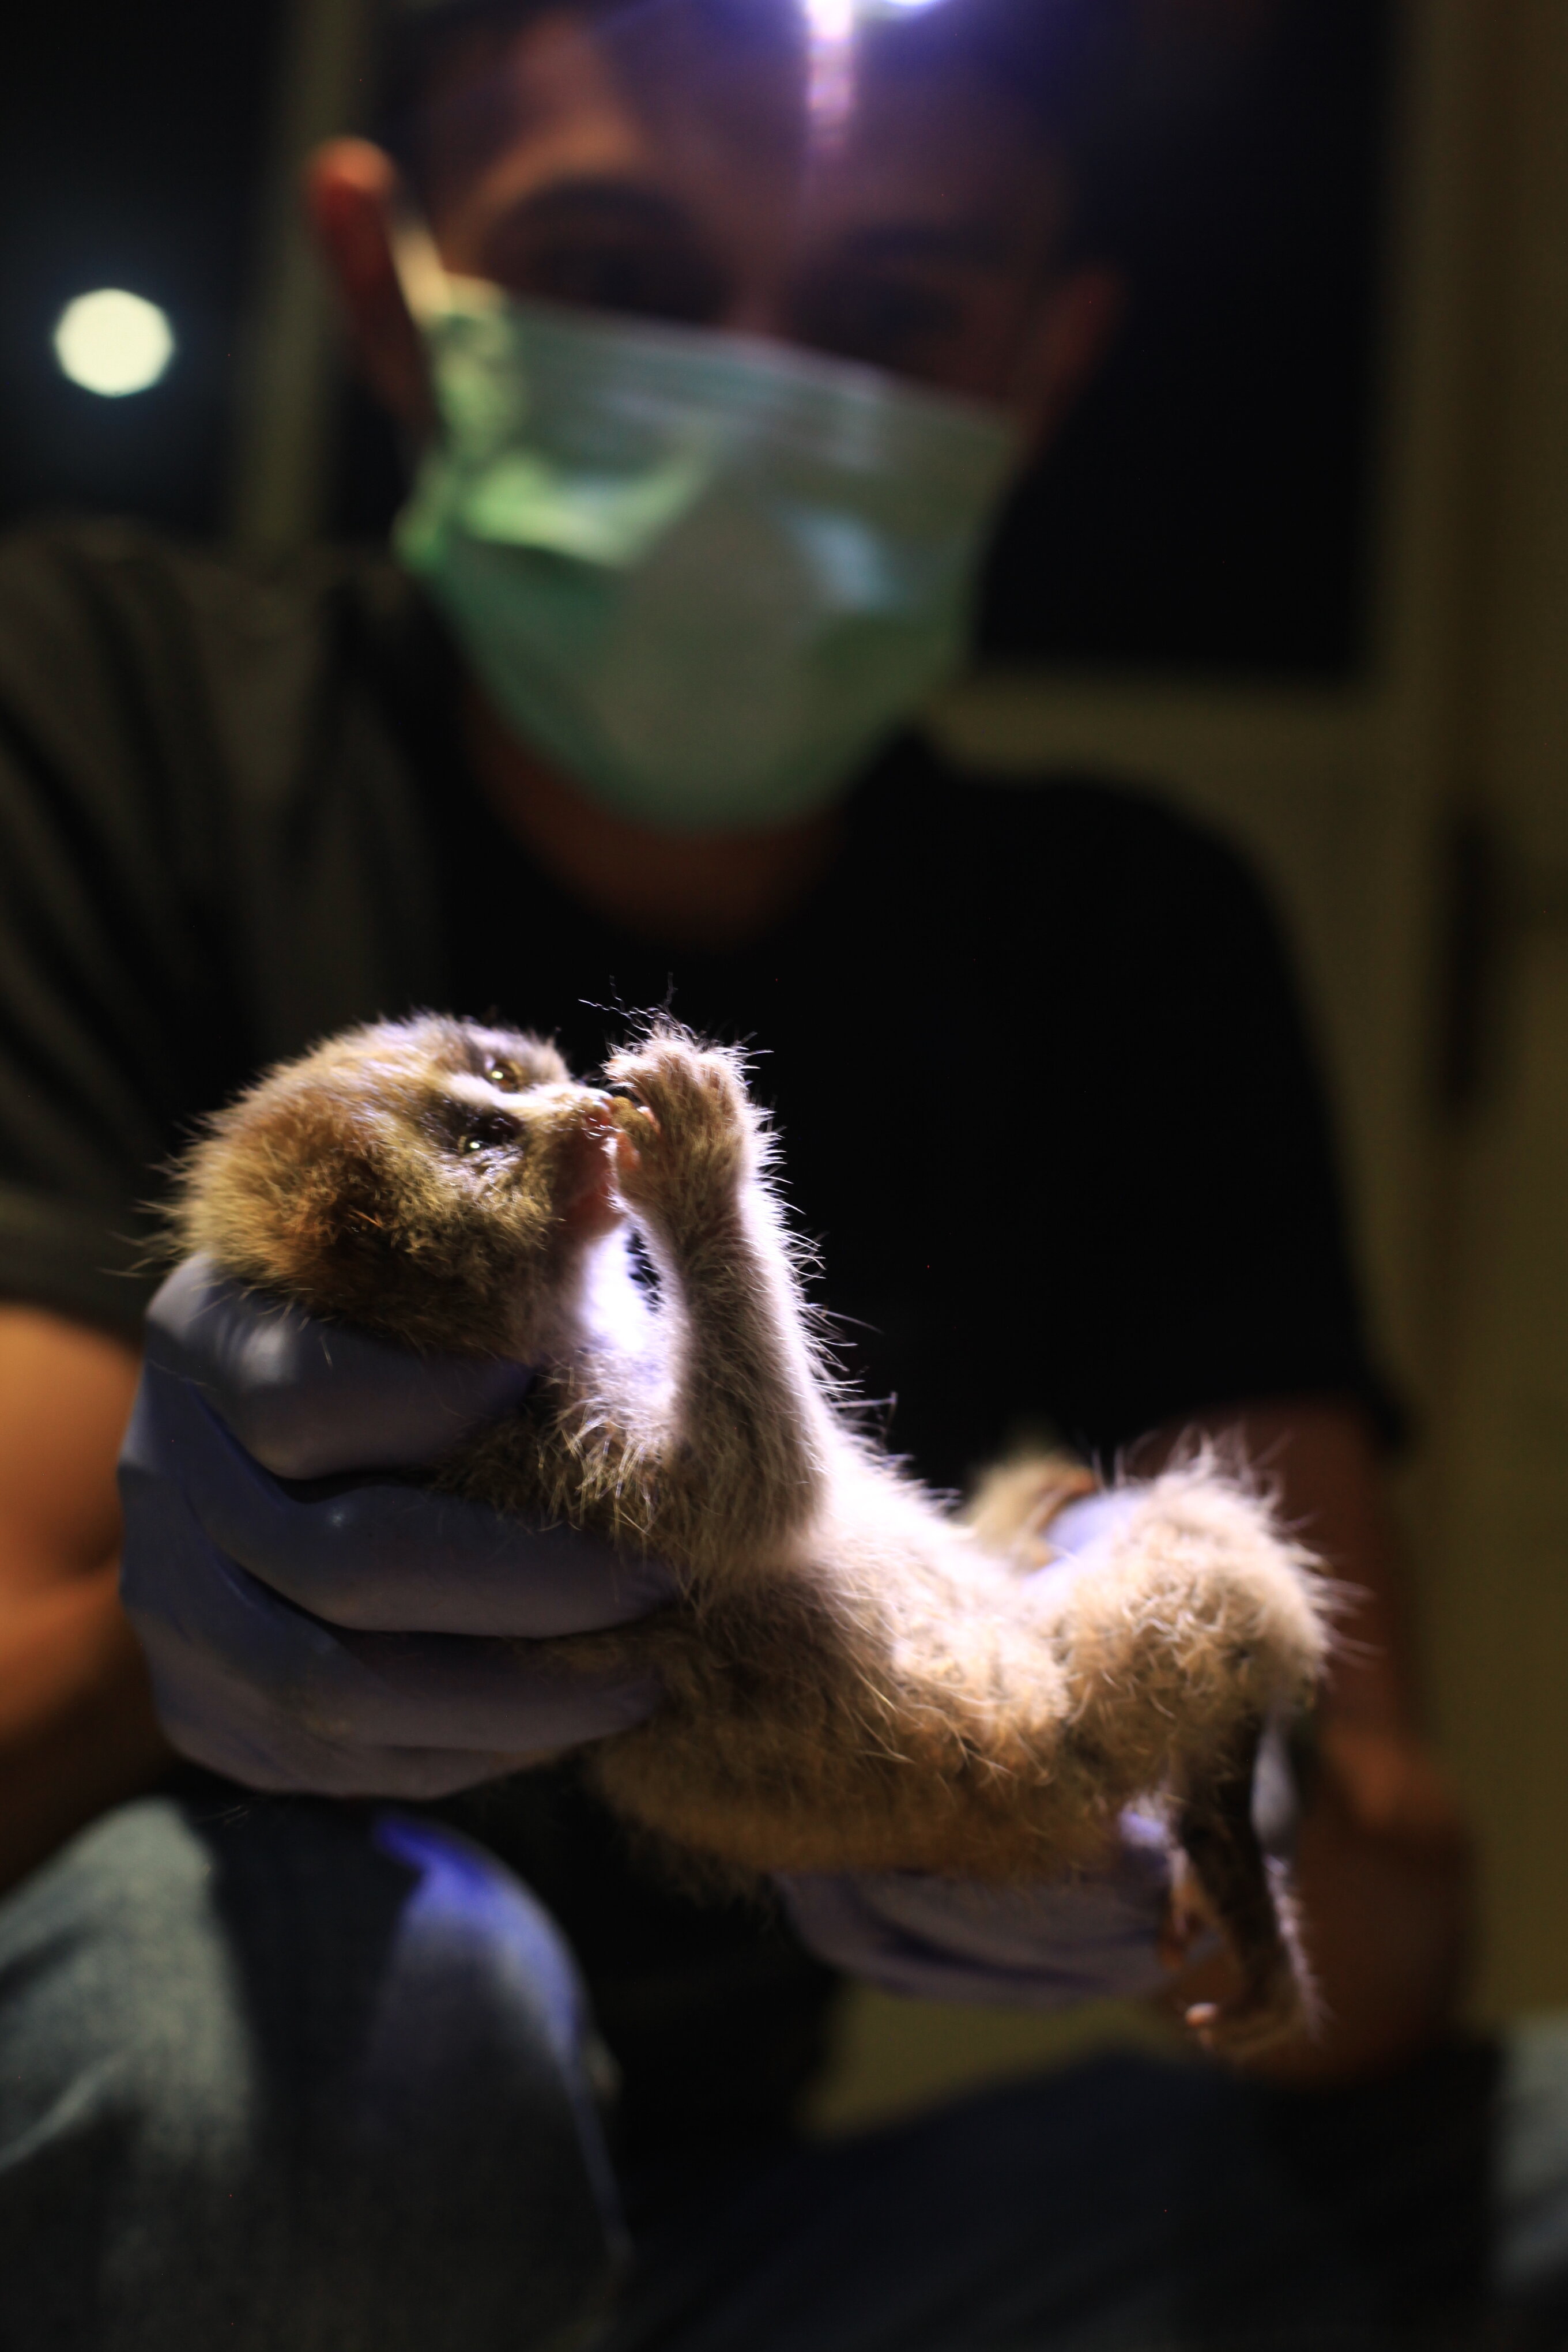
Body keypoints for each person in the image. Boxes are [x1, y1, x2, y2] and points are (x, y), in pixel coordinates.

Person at [0, 0, 1553, 2342]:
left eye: (884, 312)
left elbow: (1392, 1935)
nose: (746, 388)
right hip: (215, 2136)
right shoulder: (94, 715)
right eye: (614, 263)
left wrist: (1171, 1815)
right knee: (371, 1995)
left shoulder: (1126, 938)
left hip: (751, 2231)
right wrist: (198, 1626)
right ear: (380, 283)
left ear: (1037, 369)